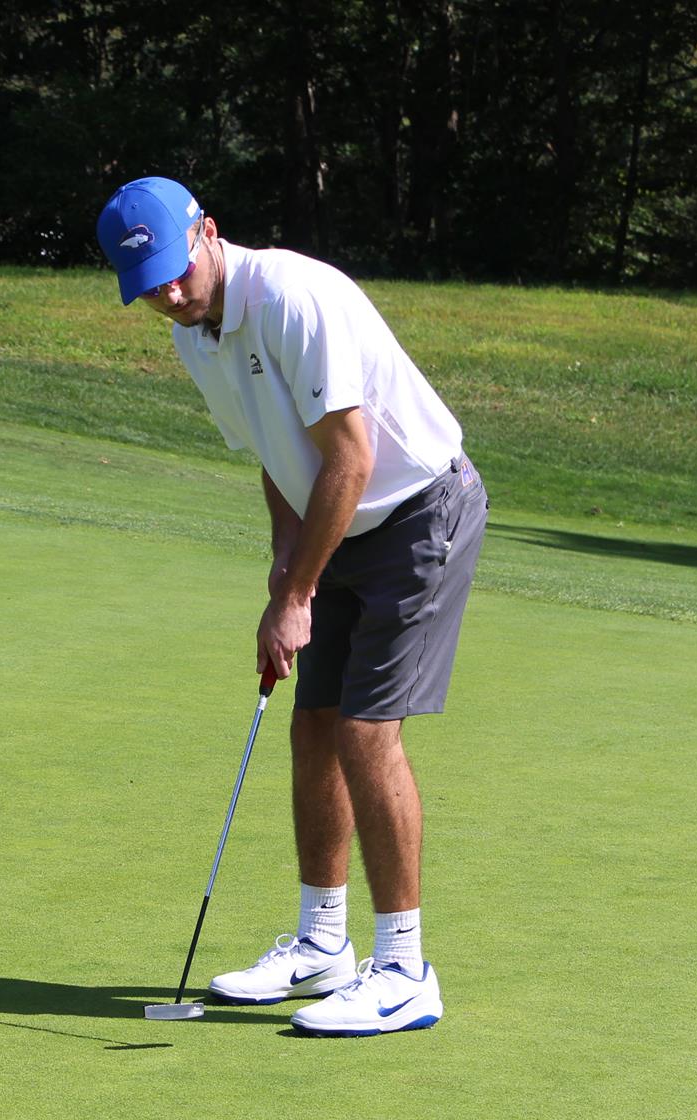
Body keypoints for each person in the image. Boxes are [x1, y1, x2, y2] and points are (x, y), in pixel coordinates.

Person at [95, 176, 488, 1037]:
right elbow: (279, 457)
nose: (167, 294)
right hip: (336, 523)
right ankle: (322, 945)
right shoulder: (197, 337)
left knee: (363, 731)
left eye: (172, 270)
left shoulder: (293, 297)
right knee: (312, 726)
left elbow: (350, 457)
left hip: (419, 509)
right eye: (147, 288)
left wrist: (300, 594)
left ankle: (404, 970)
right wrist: (284, 574)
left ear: (208, 232)